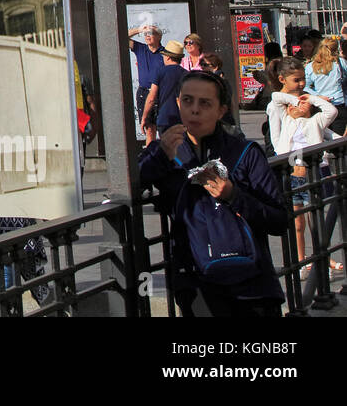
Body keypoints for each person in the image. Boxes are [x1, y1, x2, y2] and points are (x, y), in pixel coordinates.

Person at [140, 70, 287, 316]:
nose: (194, 110)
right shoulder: (164, 150)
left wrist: (234, 196)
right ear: (177, 103)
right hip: (196, 282)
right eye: (187, 101)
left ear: (221, 110)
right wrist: (160, 155)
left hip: (251, 283)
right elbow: (132, 186)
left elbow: (279, 221)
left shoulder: (245, 152)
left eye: (205, 103)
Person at [267, 57, 341, 277]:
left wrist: (309, 100)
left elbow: (321, 125)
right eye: (297, 80)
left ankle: (322, 258)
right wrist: (294, 105)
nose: (301, 85)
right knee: (297, 221)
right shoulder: (278, 105)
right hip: (292, 167)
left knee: (316, 219)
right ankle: (302, 260)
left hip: (312, 166)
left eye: (303, 80)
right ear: (282, 79)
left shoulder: (306, 103)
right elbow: (277, 137)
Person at [142, 40, 187, 142]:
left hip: (165, 118)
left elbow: (151, 97)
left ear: (168, 57)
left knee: (168, 151)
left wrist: (144, 117)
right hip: (182, 119)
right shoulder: (186, 74)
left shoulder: (160, 72)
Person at [128, 24, 166, 141]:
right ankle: (151, 157)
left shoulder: (165, 53)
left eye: (151, 33)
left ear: (159, 36)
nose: (147, 36)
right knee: (149, 129)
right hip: (144, 92)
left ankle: (166, 157)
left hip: (160, 92)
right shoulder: (141, 48)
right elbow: (121, 37)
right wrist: (139, 30)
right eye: (146, 34)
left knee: (164, 129)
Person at [305, 39, 347, 137]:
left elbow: (306, 87)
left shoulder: (311, 66)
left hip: (321, 105)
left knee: (323, 136)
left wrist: (318, 96)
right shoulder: (341, 63)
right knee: (339, 139)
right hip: (339, 104)